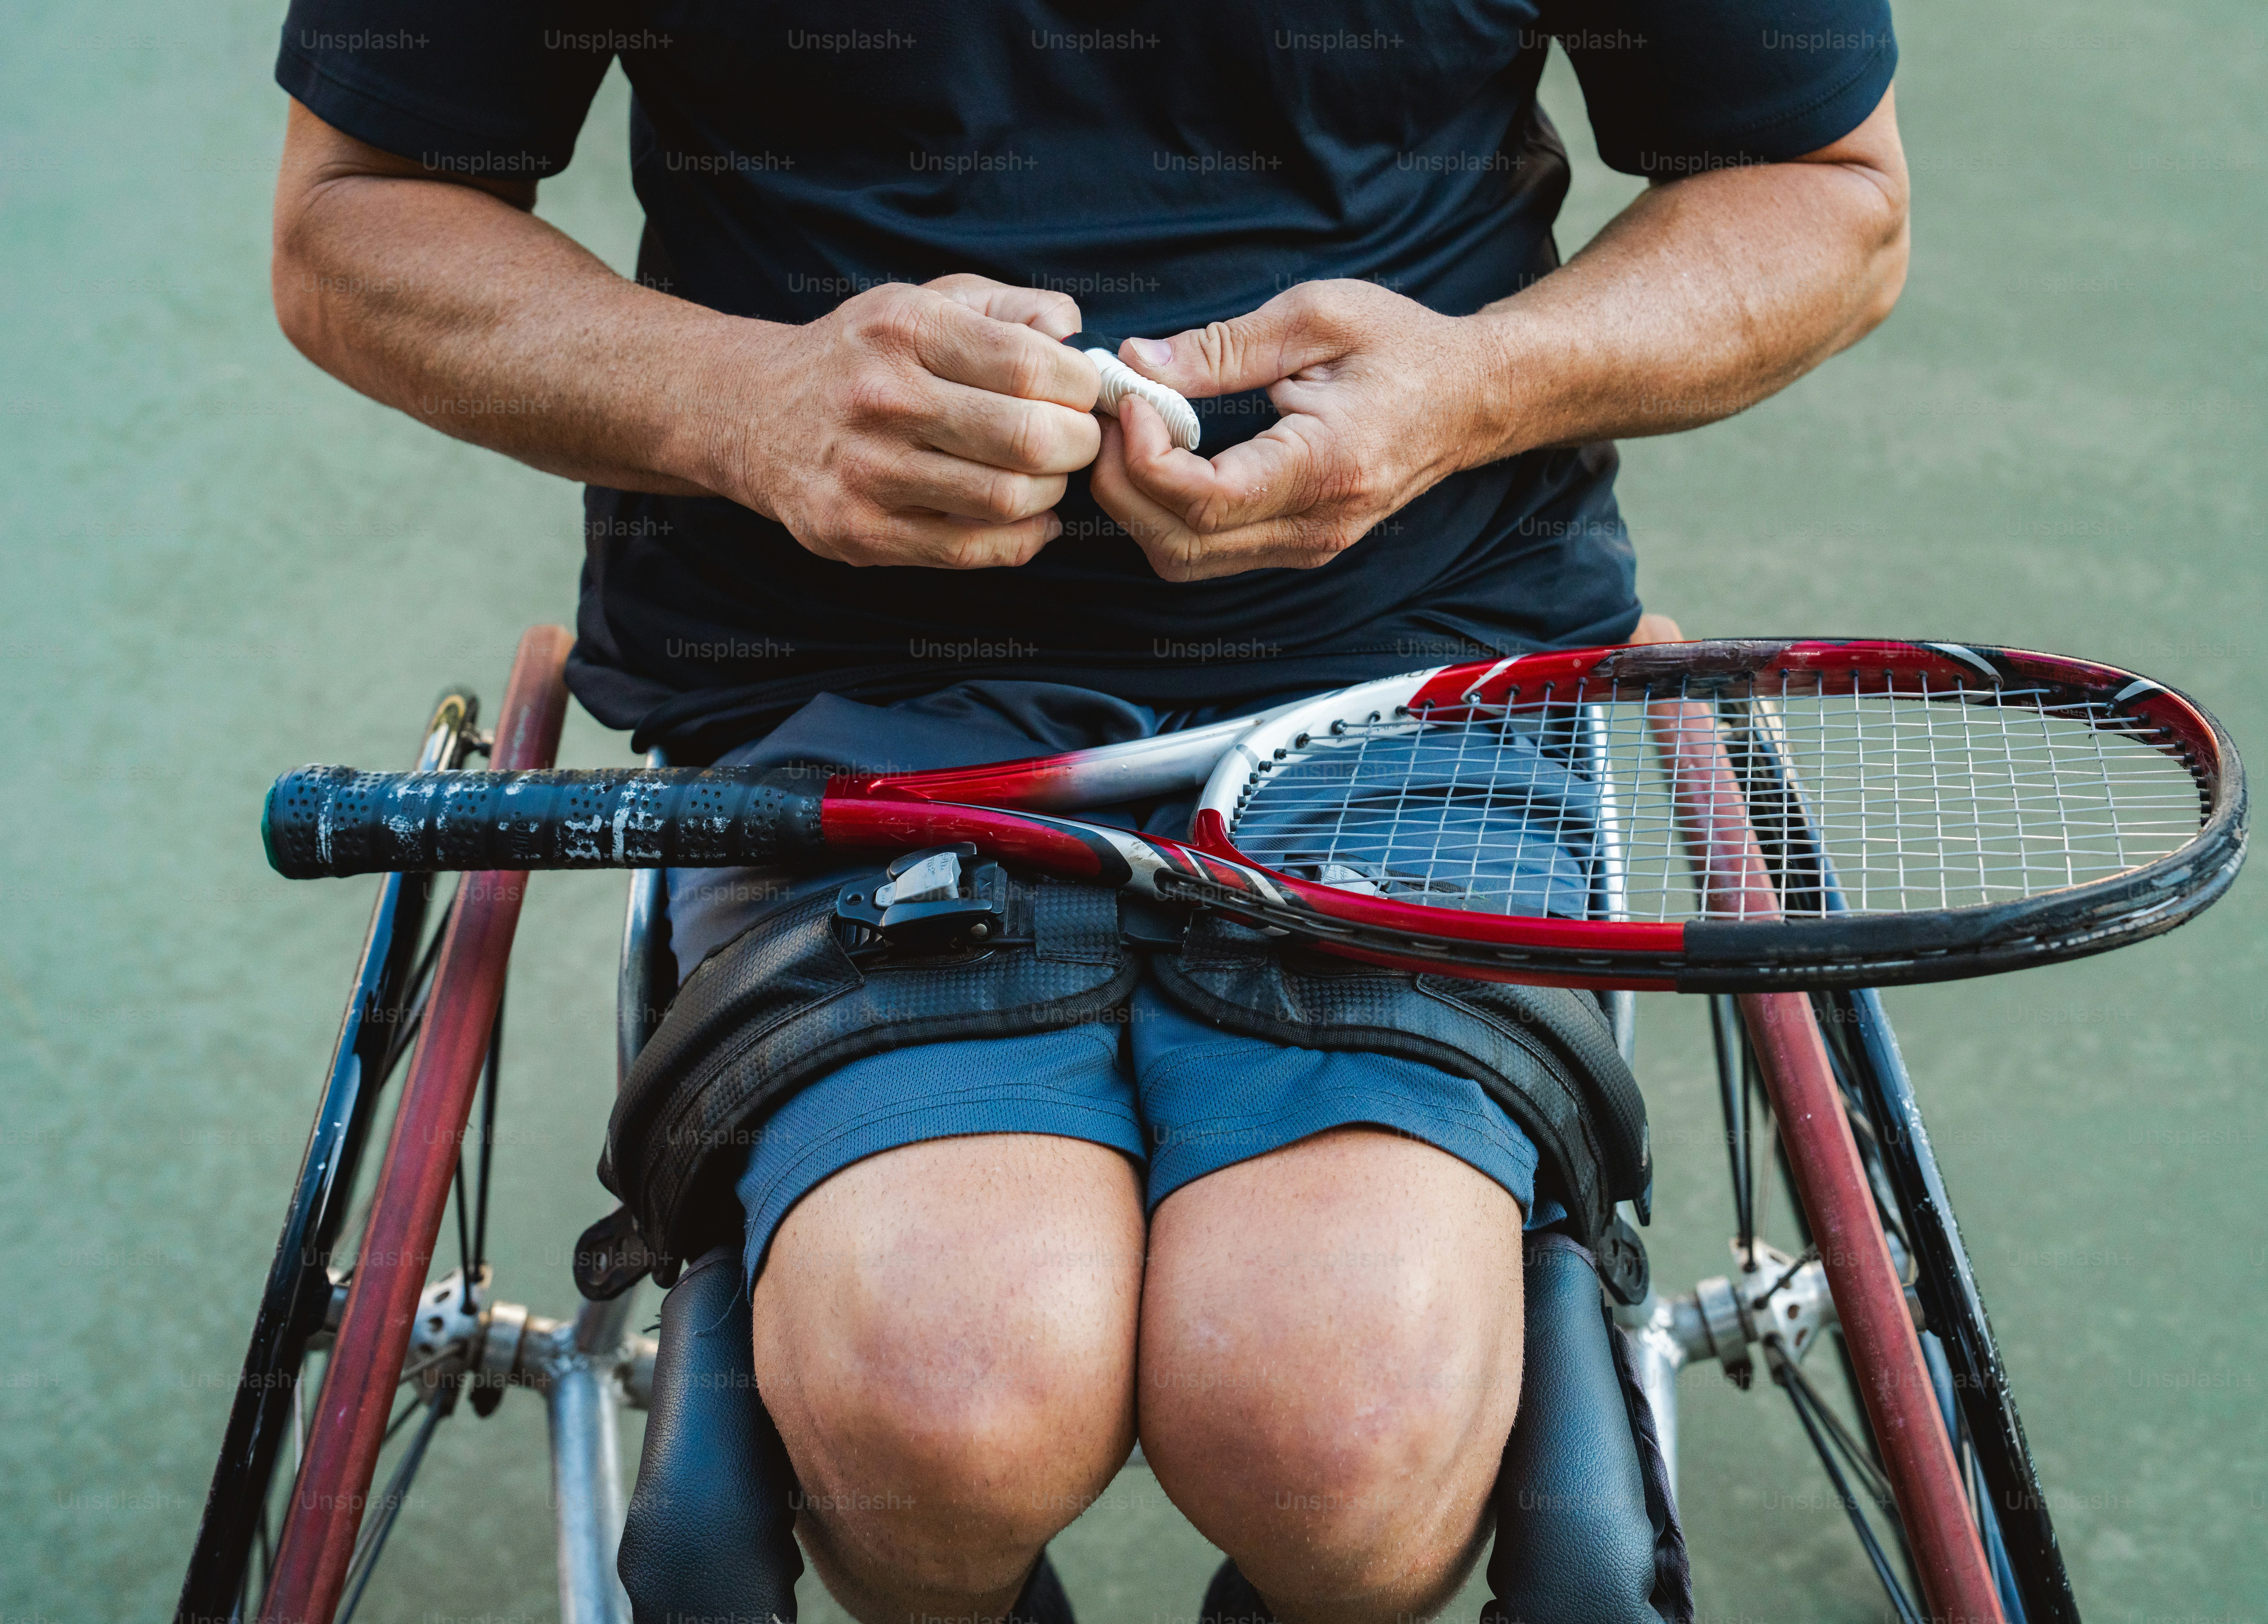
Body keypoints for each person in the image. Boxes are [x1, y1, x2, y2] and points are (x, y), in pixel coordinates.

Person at [268, 5, 1907, 1620]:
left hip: (1408, 682)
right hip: (850, 704)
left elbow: (1823, 188)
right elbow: (355, 214)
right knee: (945, 1397)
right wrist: (740, 400)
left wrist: (1473, 385)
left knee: (1338, 1427)